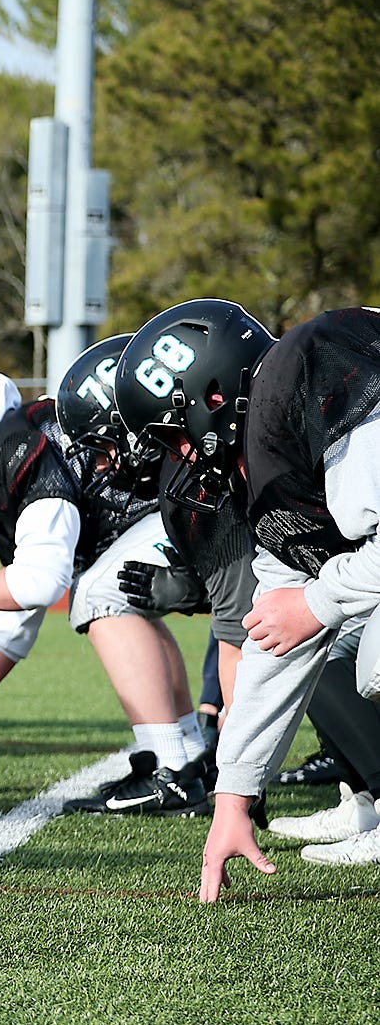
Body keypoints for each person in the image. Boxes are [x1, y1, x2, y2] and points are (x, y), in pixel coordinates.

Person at [100, 304, 380, 900]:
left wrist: (321, 601)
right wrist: (235, 795)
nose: (181, 456)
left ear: (216, 396)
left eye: (175, 435)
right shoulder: (276, 461)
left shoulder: (314, 375)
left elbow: (311, 604)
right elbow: (273, 639)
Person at [0, 349, 210, 815]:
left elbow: (40, 583)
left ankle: (170, 773)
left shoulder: (18, 449)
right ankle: (191, 759)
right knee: (122, 592)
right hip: (177, 507)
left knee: (99, 593)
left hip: (194, 503)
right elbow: (15, 622)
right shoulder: (9, 468)